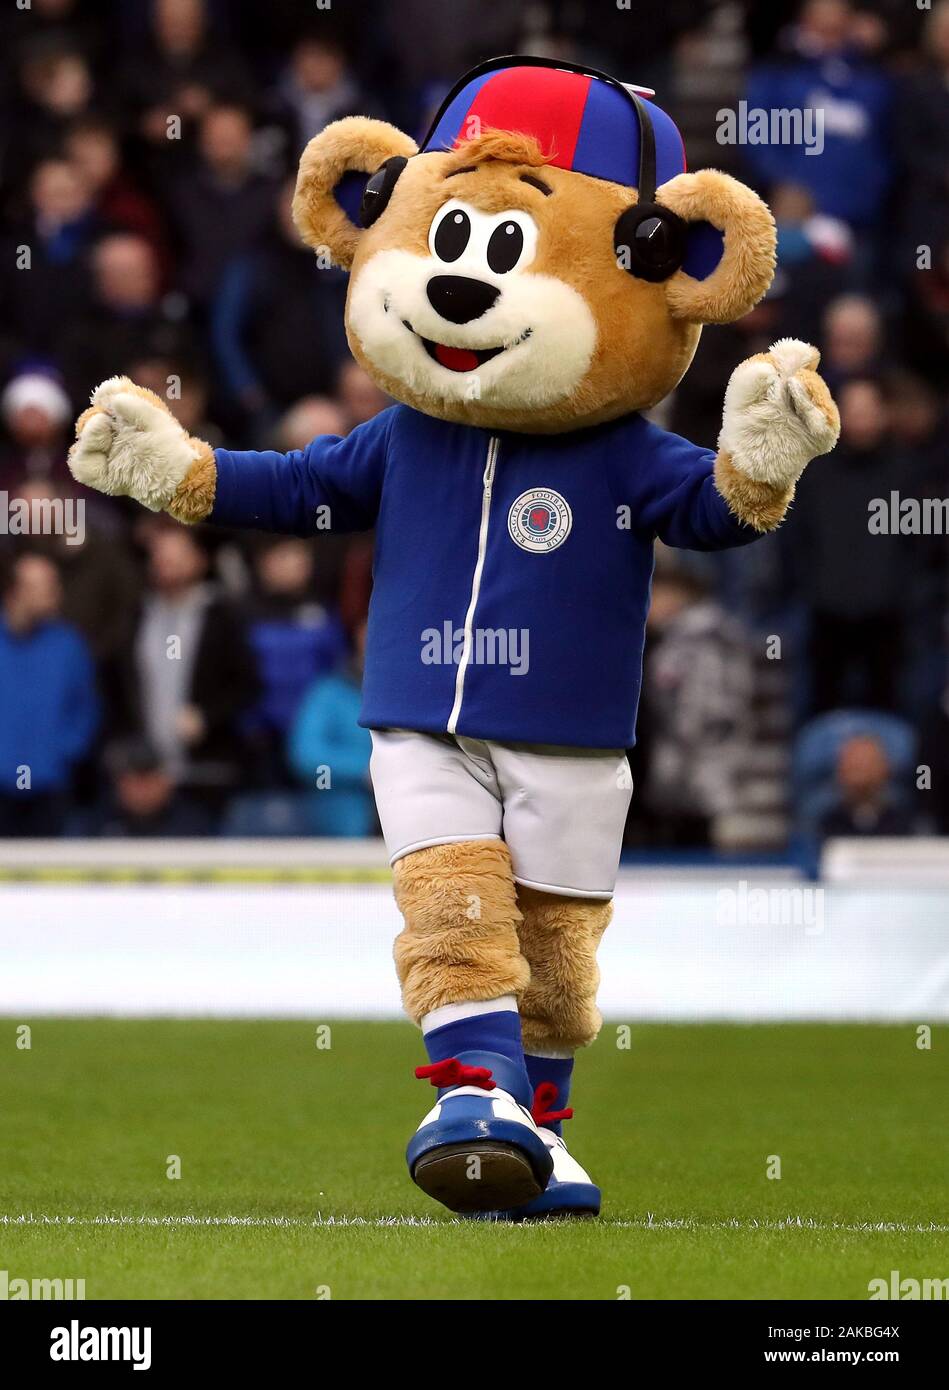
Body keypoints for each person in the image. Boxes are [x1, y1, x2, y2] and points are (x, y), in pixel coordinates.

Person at [117, 525, 258, 815]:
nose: (167, 565)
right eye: (160, 557)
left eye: (177, 556)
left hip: (206, 771)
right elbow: (121, 686)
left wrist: (206, 717)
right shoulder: (138, 615)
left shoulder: (222, 616)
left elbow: (248, 685)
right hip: (145, 772)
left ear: (200, 560)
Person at [0, 551, 99, 835]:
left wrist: (59, 754)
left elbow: (86, 710)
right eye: (47, 586)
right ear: (16, 590)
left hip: (50, 788)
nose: (57, 593)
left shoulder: (69, 645)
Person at [288, 619, 374, 835]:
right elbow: (306, 757)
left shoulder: (413, 695)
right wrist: (366, 771)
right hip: (344, 821)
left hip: (412, 817)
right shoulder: (327, 693)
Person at [818, 733, 914, 837]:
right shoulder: (824, 826)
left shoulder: (906, 824)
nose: (861, 771)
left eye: (867, 763)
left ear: (886, 769)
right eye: (854, 765)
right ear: (839, 771)